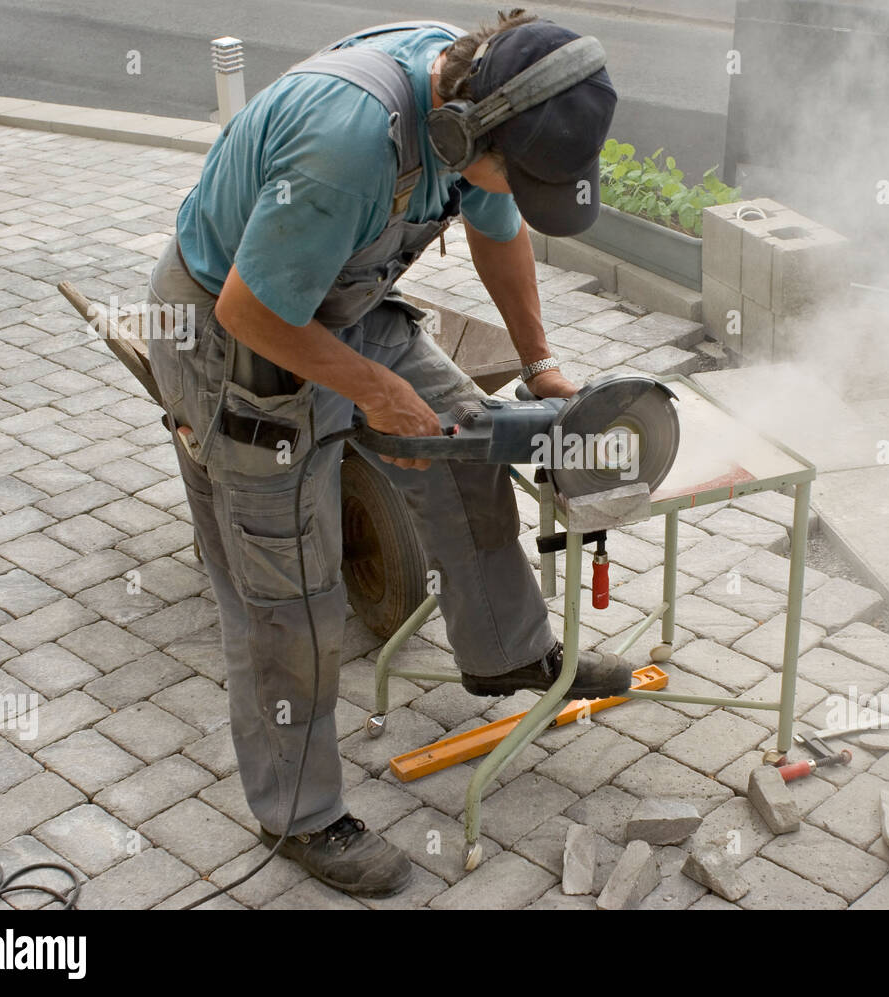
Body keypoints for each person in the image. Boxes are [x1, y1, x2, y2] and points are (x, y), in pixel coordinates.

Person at [143, 10, 624, 897]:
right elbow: (252, 312)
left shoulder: (479, 94)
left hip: (337, 299)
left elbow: (499, 227)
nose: (510, 189)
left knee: (466, 439)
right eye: (513, 173)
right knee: (288, 596)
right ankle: (300, 812)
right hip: (235, 332)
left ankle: (507, 649)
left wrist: (542, 364)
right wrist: (373, 389)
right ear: (460, 130)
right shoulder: (346, 147)